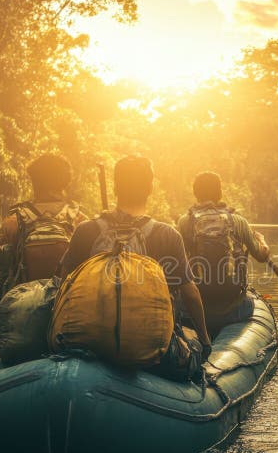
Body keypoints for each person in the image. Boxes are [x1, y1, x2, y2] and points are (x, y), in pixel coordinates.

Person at [60, 156, 212, 373]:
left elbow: (63, 286)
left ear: (115, 187)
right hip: (154, 352)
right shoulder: (167, 235)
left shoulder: (86, 231)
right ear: (149, 188)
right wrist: (205, 342)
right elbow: (190, 294)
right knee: (193, 344)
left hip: (87, 342)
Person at [0, 154, 86, 312]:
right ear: (66, 182)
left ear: (33, 182)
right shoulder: (80, 221)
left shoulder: (13, 222)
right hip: (67, 311)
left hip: (24, 310)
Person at [177, 171, 270, 335]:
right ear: (219, 193)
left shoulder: (185, 222)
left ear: (195, 194)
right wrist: (262, 241)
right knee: (248, 300)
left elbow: (179, 262)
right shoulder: (238, 221)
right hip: (234, 309)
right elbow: (262, 256)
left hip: (194, 310)